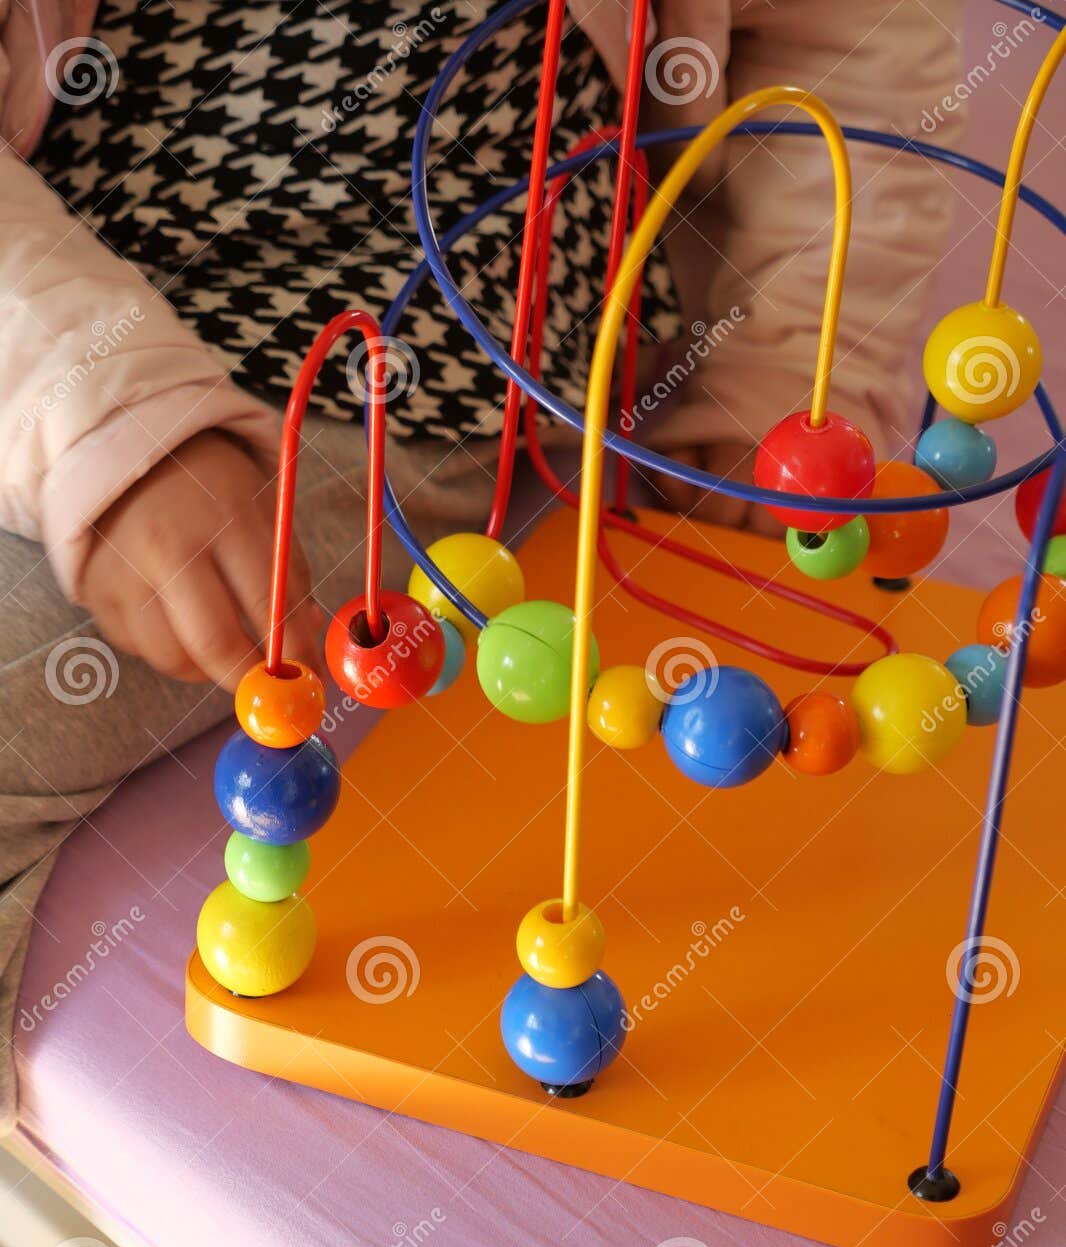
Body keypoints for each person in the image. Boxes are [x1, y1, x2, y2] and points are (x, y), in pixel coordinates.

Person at [1, 0, 963, 1119]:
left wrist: (781, 391)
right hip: (61, 281)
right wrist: (100, 412)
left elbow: (857, 49)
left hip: (400, 367)